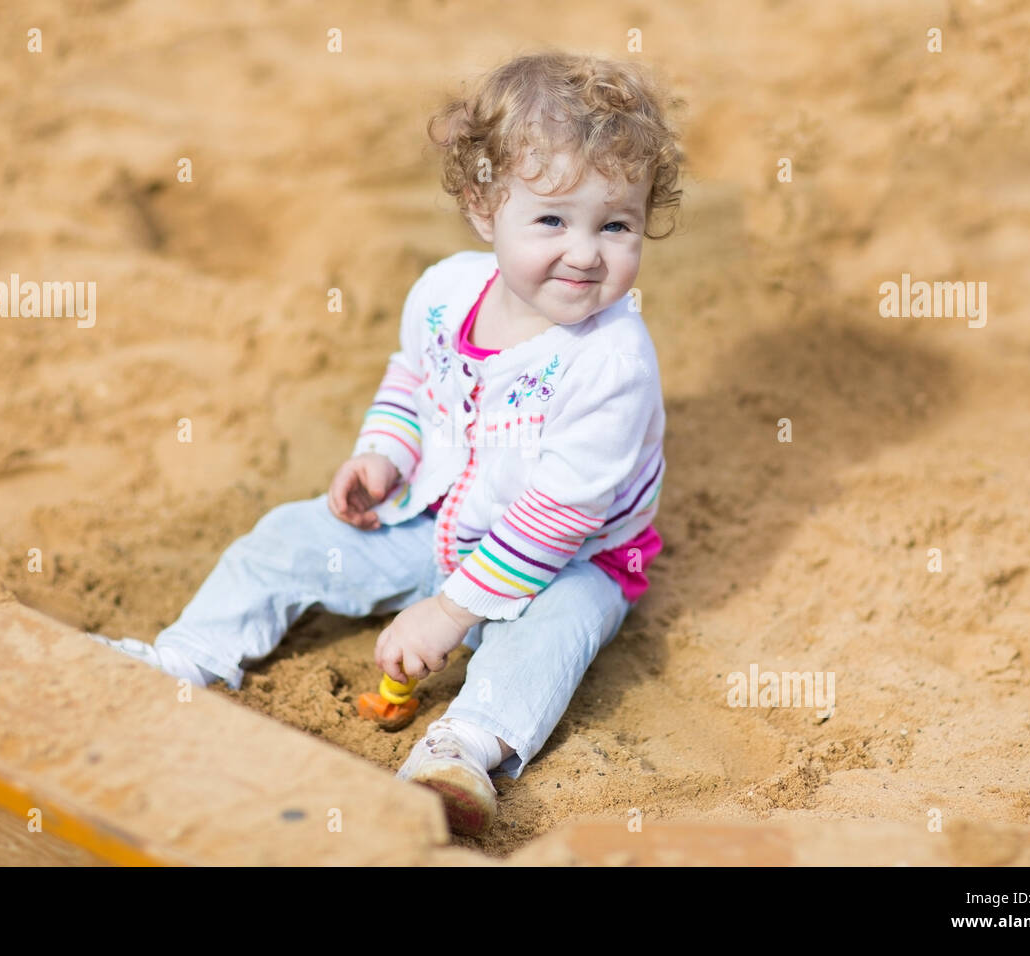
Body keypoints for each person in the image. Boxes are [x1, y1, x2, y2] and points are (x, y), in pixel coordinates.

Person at [91, 50, 684, 836]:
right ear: (485, 208)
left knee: (552, 634)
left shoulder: (611, 362)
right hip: (437, 517)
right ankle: (185, 658)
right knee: (290, 537)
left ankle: (462, 750)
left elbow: (557, 518)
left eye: (616, 225)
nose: (584, 253)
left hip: (574, 557)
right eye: (551, 220)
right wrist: (387, 454)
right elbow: (415, 378)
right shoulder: (444, 294)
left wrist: (447, 611)